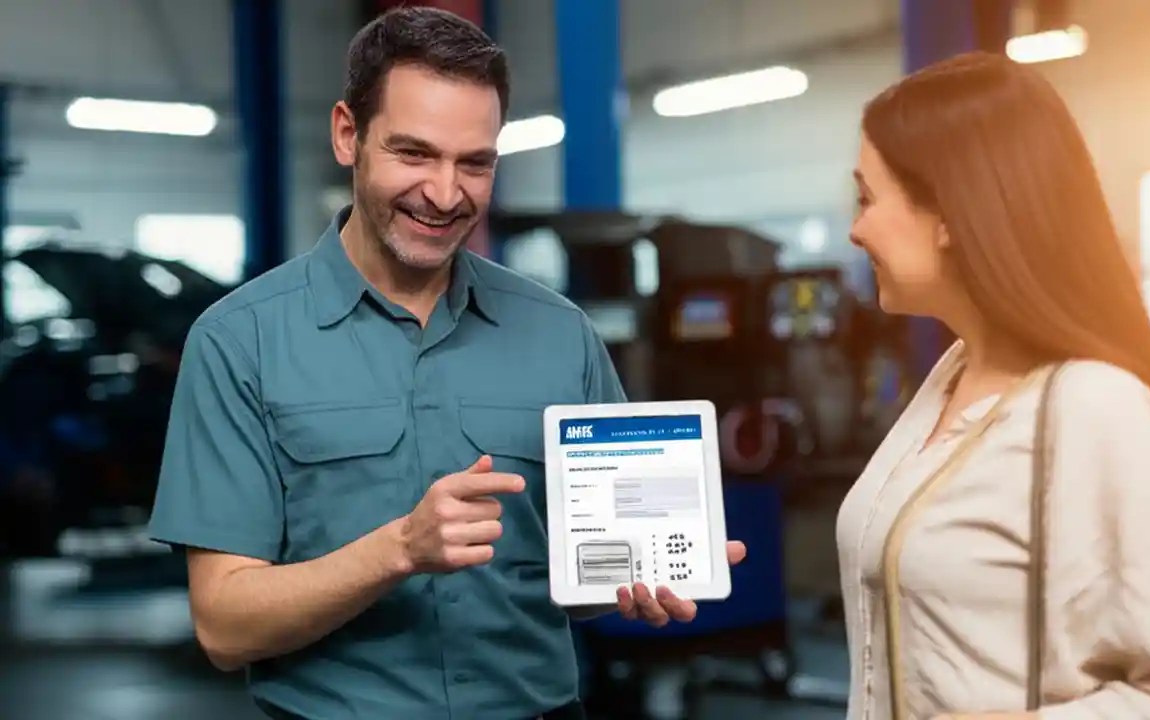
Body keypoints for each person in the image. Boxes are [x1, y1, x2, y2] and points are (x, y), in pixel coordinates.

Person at [146, 8, 745, 719]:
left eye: (475, 162)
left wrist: (645, 575)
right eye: (414, 153)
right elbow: (224, 625)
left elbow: (578, 576)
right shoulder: (238, 342)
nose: (444, 193)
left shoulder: (560, 334)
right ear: (349, 135)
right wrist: (400, 547)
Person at [838, 51, 1150, 719]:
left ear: (948, 212)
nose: (855, 229)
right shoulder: (950, 379)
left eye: (867, 198)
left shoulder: (1097, 407)